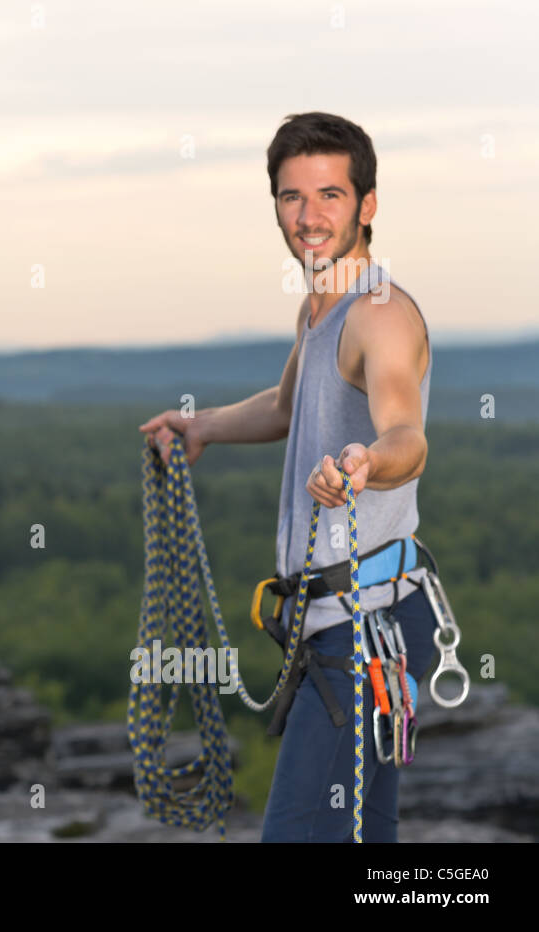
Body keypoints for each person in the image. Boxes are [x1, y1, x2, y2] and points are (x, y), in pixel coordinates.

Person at [138, 112, 436, 842]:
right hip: (355, 622)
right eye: (291, 197)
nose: (308, 217)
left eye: (330, 195)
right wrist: (201, 425)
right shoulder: (319, 308)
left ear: (367, 206)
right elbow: (283, 406)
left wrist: (369, 464)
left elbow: (407, 435)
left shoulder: (380, 315)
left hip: (360, 633)